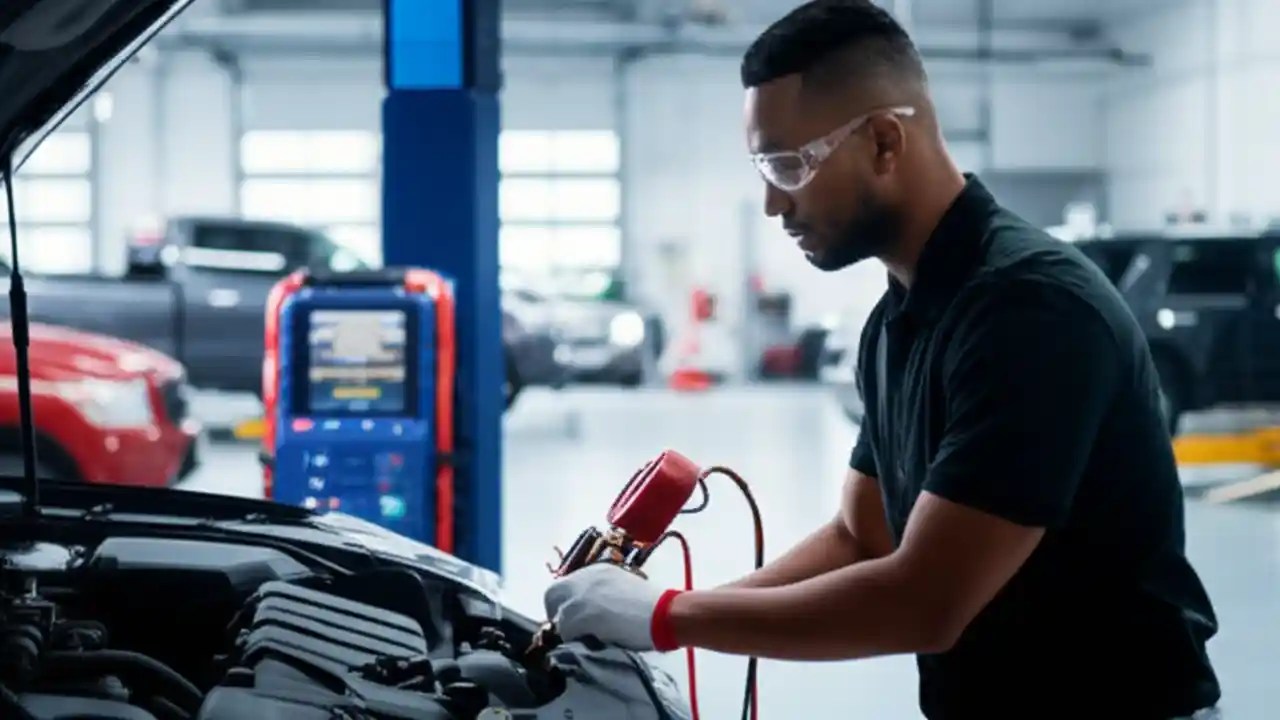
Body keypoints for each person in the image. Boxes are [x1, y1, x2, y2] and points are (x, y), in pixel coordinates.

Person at [543, 1, 1222, 717]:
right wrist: (655, 610)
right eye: (761, 166)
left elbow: (927, 601)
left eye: (788, 165)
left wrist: (667, 617)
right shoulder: (898, 318)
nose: (774, 203)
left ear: (884, 142)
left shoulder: (1031, 310)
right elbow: (861, 536)